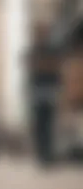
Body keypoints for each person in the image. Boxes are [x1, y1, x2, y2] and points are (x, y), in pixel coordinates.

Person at [27, 24, 62, 167]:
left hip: (49, 89)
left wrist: (42, 66)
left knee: (48, 123)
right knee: (39, 124)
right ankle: (42, 154)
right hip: (37, 90)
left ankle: (47, 154)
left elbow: (55, 68)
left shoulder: (52, 49)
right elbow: (32, 67)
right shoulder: (33, 50)